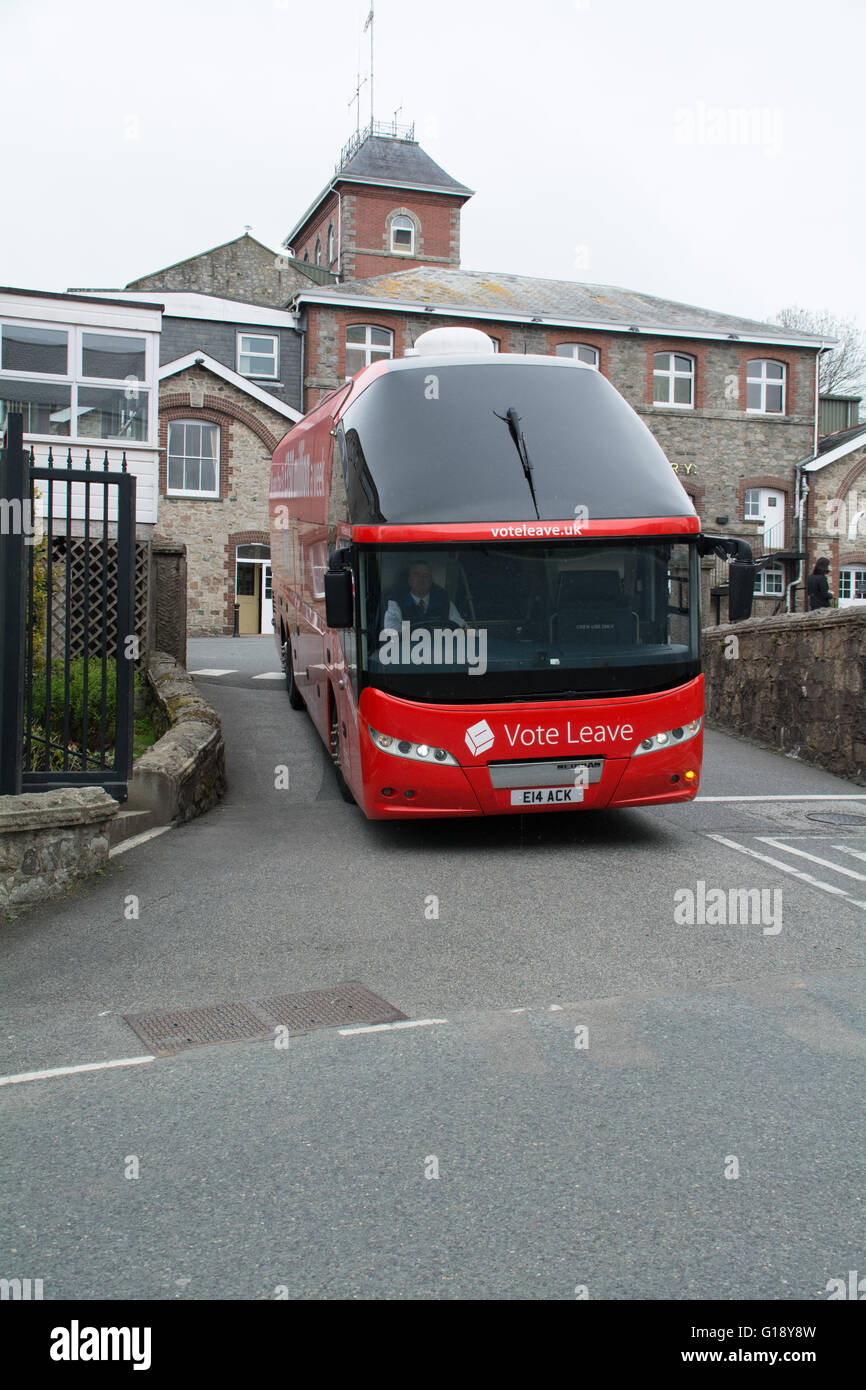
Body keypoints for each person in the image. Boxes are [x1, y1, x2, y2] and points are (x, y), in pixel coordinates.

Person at [383, 561, 467, 629]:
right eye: (416, 575)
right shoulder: (396, 602)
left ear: (431, 581)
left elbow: (461, 625)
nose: (421, 579)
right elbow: (391, 631)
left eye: (426, 575)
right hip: (409, 649)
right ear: (409, 580)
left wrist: (477, 635)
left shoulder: (444, 601)